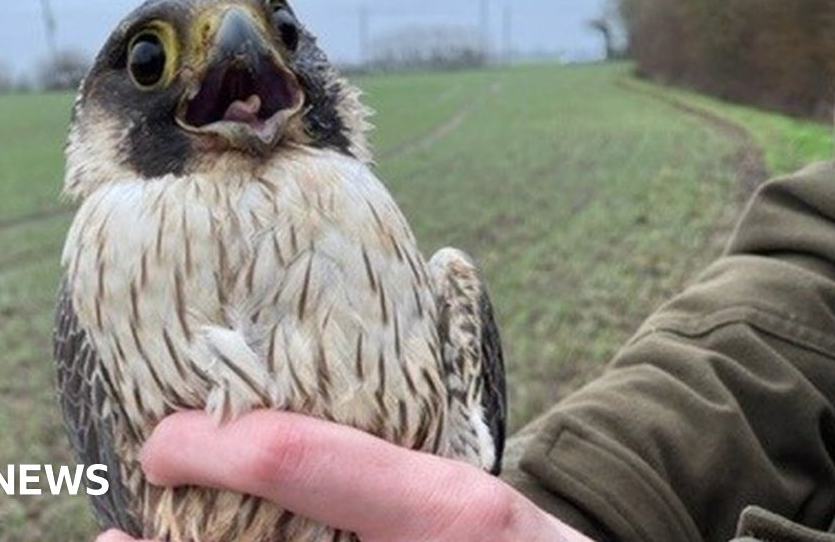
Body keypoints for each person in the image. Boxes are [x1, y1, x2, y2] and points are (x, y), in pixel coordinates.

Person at [97, 160, 835, 542]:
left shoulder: (431, 280)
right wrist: (560, 510)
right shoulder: (111, 287)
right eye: (151, 60)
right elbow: (804, 295)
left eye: (281, 31)